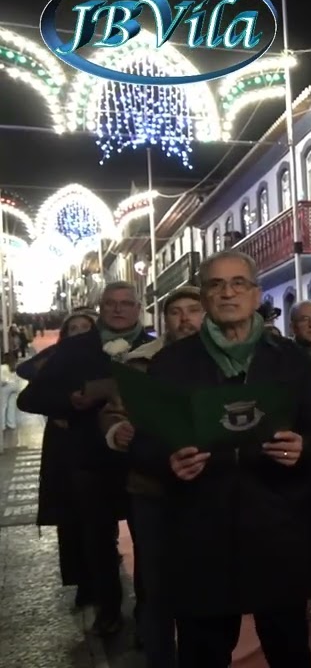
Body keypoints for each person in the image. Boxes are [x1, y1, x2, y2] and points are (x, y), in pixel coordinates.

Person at [128, 251, 311, 668]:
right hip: (201, 535)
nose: (228, 292)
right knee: (203, 655)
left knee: (290, 652)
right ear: (206, 296)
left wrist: (306, 448)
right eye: (216, 285)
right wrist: (168, 460)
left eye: (239, 283)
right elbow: (143, 443)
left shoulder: (290, 360)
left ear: (255, 295)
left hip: (277, 531)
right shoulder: (171, 364)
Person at [18, 283, 153, 634]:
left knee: (148, 540)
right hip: (90, 461)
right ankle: (108, 609)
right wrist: (71, 400)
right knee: (96, 540)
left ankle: (147, 614)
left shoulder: (155, 348)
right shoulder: (75, 349)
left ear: (138, 309)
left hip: (142, 459)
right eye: (111, 304)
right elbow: (29, 399)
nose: (119, 310)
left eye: (126, 304)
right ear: (101, 308)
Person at [102, 285, 204, 664]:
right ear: (164, 319)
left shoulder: (221, 358)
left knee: (200, 581)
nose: (185, 319)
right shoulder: (139, 363)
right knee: (156, 582)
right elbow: (114, 410)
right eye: (176, 312)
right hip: (151, 490)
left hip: (206, 488)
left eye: (193, 310)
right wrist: (117, 430)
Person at [28, 312, 97, 606]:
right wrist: (63, 407)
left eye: (86, 327)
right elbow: (28, 382)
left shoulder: (104, 358)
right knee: (70, 514)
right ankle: (81, 579)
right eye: (74, 328)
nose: (80, 332)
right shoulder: (56, 360)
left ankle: (101, 578)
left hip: (97, 445)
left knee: (98, 518)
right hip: (64, 448)